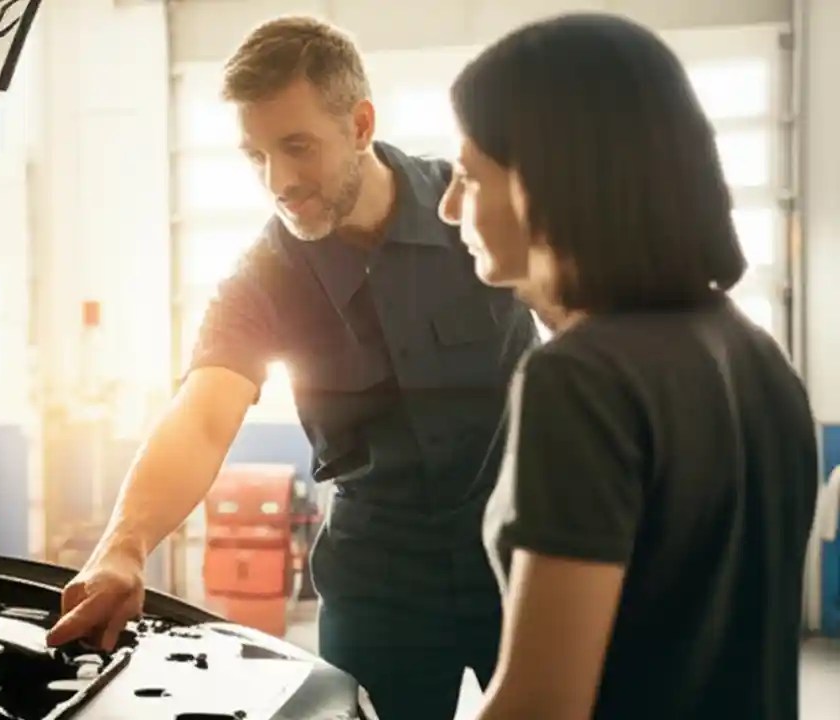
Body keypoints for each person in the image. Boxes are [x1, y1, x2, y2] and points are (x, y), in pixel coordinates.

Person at [44, 15, 537, 718]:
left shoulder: (476, 208)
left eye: (297, 147)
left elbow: (596, 327)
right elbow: (205, 415)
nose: (278, 181)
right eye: (256, 156)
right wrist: (124, 545)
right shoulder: (262, 278)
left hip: (524, 557)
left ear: (360, 125)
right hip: (380, 584)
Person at [435, 13, 820, 719]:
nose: (449, 205)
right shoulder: (754, 352)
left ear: (546, 181)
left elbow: (541, 708)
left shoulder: (580, 380)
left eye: (468, 175)